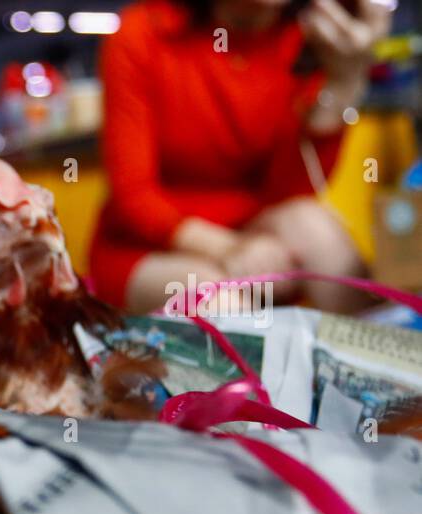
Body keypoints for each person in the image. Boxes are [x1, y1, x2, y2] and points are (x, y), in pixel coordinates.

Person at [89, 0, 393, 314]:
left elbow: (292, 193)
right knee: (224, 304)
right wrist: (230, 248)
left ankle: (380, 352)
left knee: (318, 231)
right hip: (147, 248)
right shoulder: (144, 33)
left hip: (255, 234)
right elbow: (134, 197)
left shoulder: (307, 39)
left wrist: (344, 82)